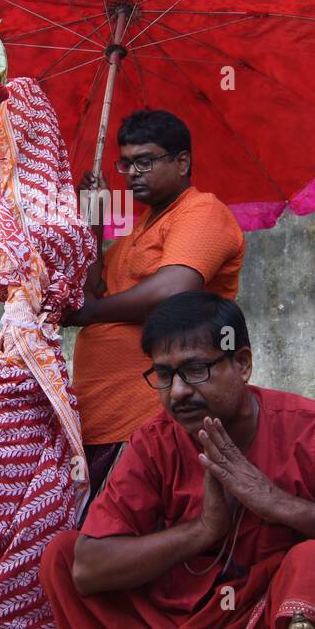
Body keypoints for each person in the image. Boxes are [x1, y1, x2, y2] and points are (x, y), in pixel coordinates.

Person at [40, 291, 315, 629]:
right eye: (165, 375)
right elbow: (88, 567)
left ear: (242, 364)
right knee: (60, 555)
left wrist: (283, 505)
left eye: (196, 369)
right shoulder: (154, 442)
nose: (179, 392)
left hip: (271, 619)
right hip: (178, 618)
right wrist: (203, 530)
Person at [67, 111, 244, 496]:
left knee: (127, 538)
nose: (132, 173)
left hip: (150, 417)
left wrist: (90, 313)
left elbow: (173, 290)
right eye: (126, 162)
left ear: (182, 162)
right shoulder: (139, 230)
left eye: (145, 161)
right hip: (101, 420)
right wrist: (93, 217)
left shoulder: (203, 212)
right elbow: (94, 287)